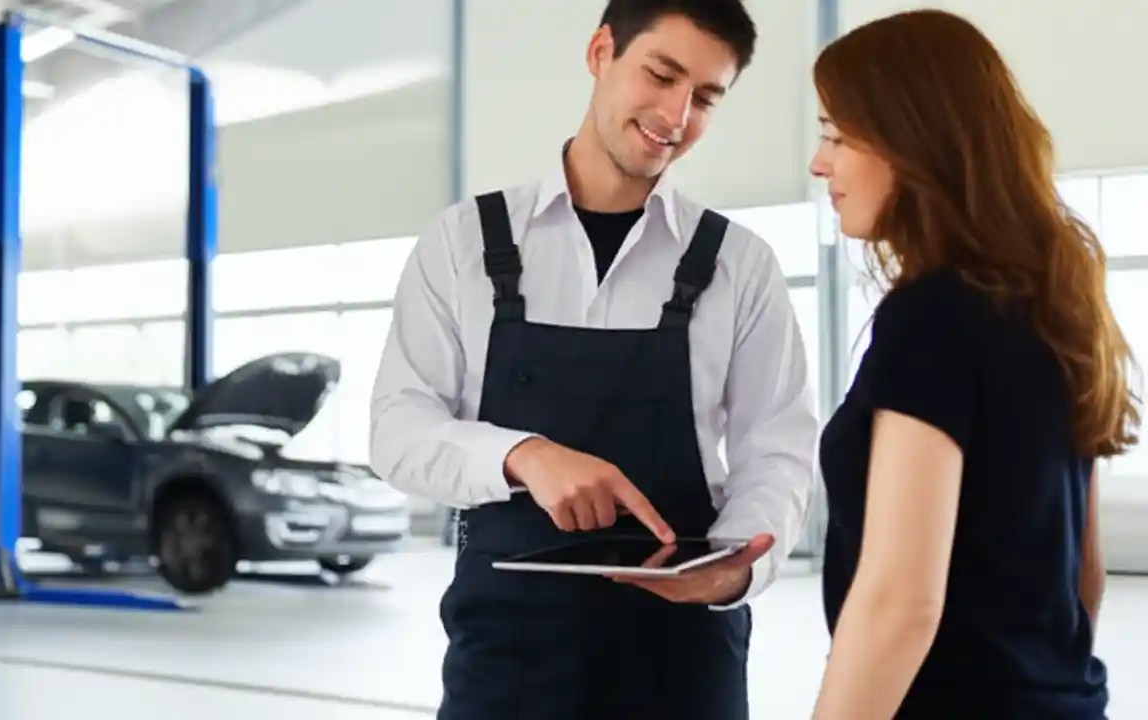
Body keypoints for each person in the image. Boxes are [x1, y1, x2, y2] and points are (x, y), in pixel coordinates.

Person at [369, 1, 817, 717]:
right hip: (506, 662)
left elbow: (779, 452)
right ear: (601, 51)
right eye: (661, 75)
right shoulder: (462, 245)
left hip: (682, 663)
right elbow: (397, 432)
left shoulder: (740, 266)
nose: (676, 115)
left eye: (704, 98)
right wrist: (525, 454)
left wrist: (732, 570)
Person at [808, 9, 1142, 719]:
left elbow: (900, 600)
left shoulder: (930, 318)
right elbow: (1081, 575)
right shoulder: (1053, 306)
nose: (820, 163)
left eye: (836, 135)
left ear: (911, 138)